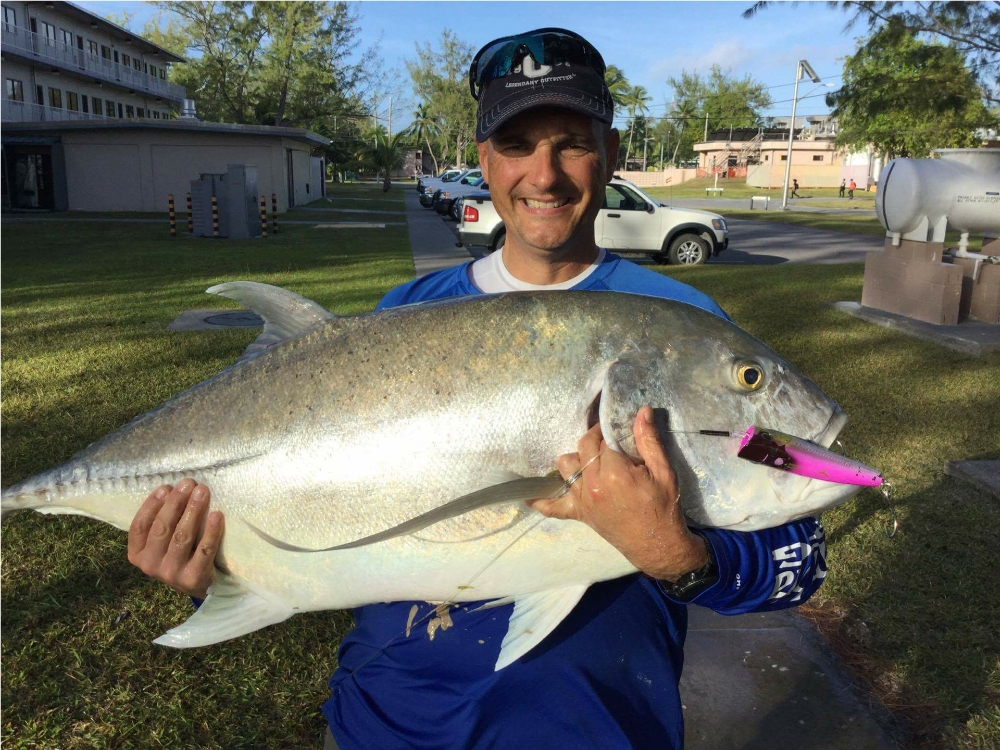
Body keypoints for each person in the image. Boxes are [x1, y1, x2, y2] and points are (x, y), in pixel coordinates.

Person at [127, 28, 827, 750]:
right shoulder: (408, 312)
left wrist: (682, 557)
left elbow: (800, 559)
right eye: (518, 145)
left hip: (597, 731)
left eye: (572, 144)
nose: (544, 175)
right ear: (485, 159)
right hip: (387, 727)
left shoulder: (686, 332)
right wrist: (207, 564)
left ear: (611, 154)